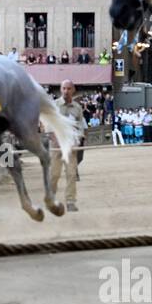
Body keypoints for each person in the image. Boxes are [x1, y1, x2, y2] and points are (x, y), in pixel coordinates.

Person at [49, 79, 87, 212]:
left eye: (69, 88)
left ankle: (70, 201)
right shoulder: (54, 106)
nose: (66, 91)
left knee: (71, 174)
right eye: (64, 88)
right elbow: (49, 127)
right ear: (60, 90)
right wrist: (57, 141)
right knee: (54, 174)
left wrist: (78, 140)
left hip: (71, 147)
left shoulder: (77, 108)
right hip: (56, 147)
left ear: (73, 90)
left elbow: (80, 126)